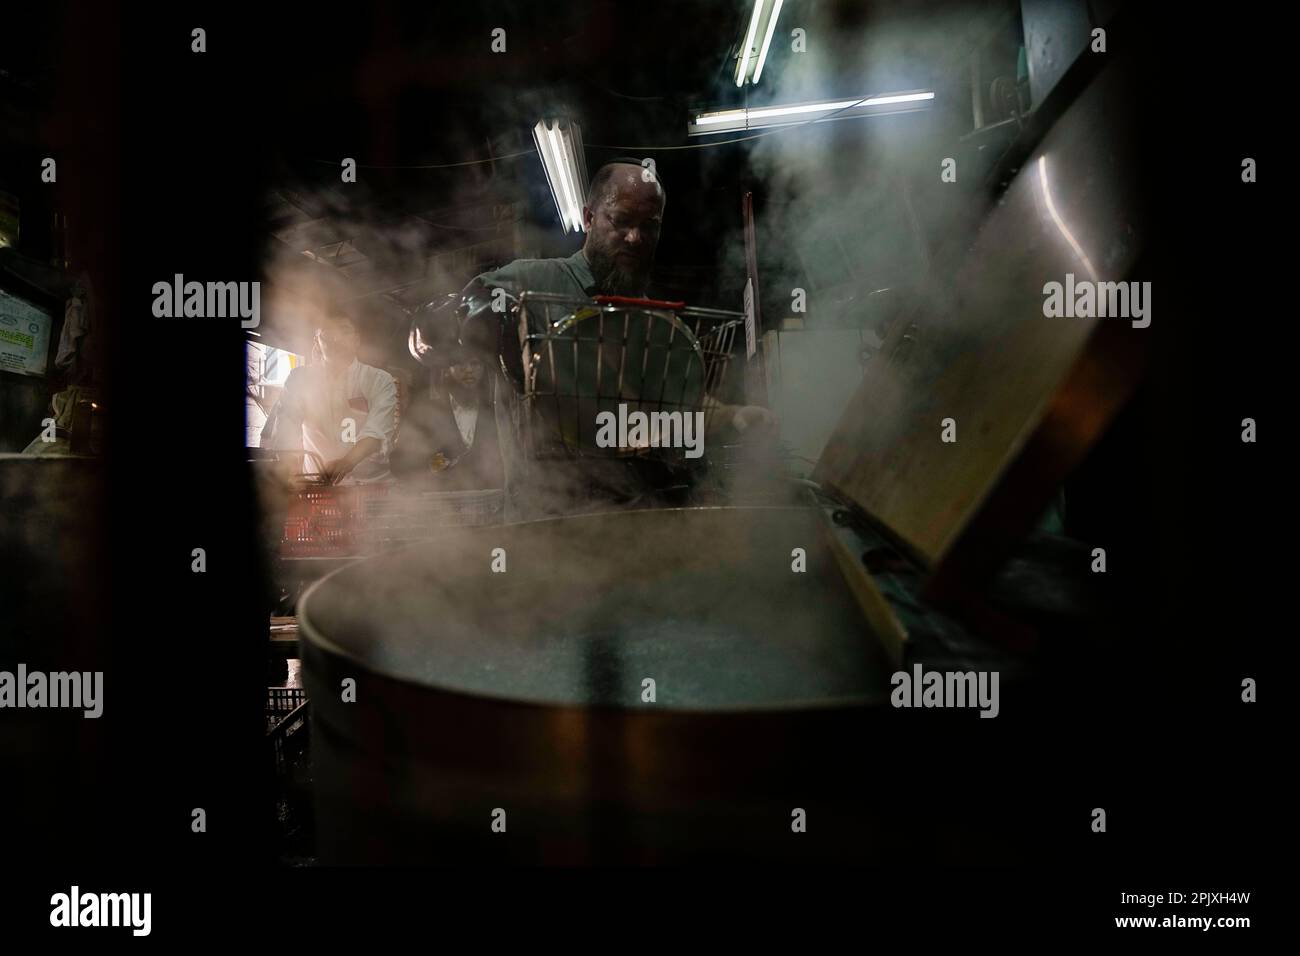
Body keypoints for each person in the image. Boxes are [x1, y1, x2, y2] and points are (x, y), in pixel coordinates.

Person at [411, 158, 777, 519]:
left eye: (649, 226)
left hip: (638, 526)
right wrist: (454, 325)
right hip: (547, 526)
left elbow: (679, 405)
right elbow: (433, 331)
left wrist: (734, 415)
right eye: (620, 221)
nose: (635, 238)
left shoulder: (657, 319)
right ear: (588, 218)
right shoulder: (530, 284)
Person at [270, 312, 398, 485]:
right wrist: (290, 470)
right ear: (316, 342)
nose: (337, 339)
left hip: (372, 486)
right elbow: (286, 428)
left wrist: (347, 462)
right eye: (328, 333)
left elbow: (375, 432)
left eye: (345, 331)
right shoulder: (300, 378)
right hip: (317, 488)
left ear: (356, 339)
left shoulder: (379, 380)